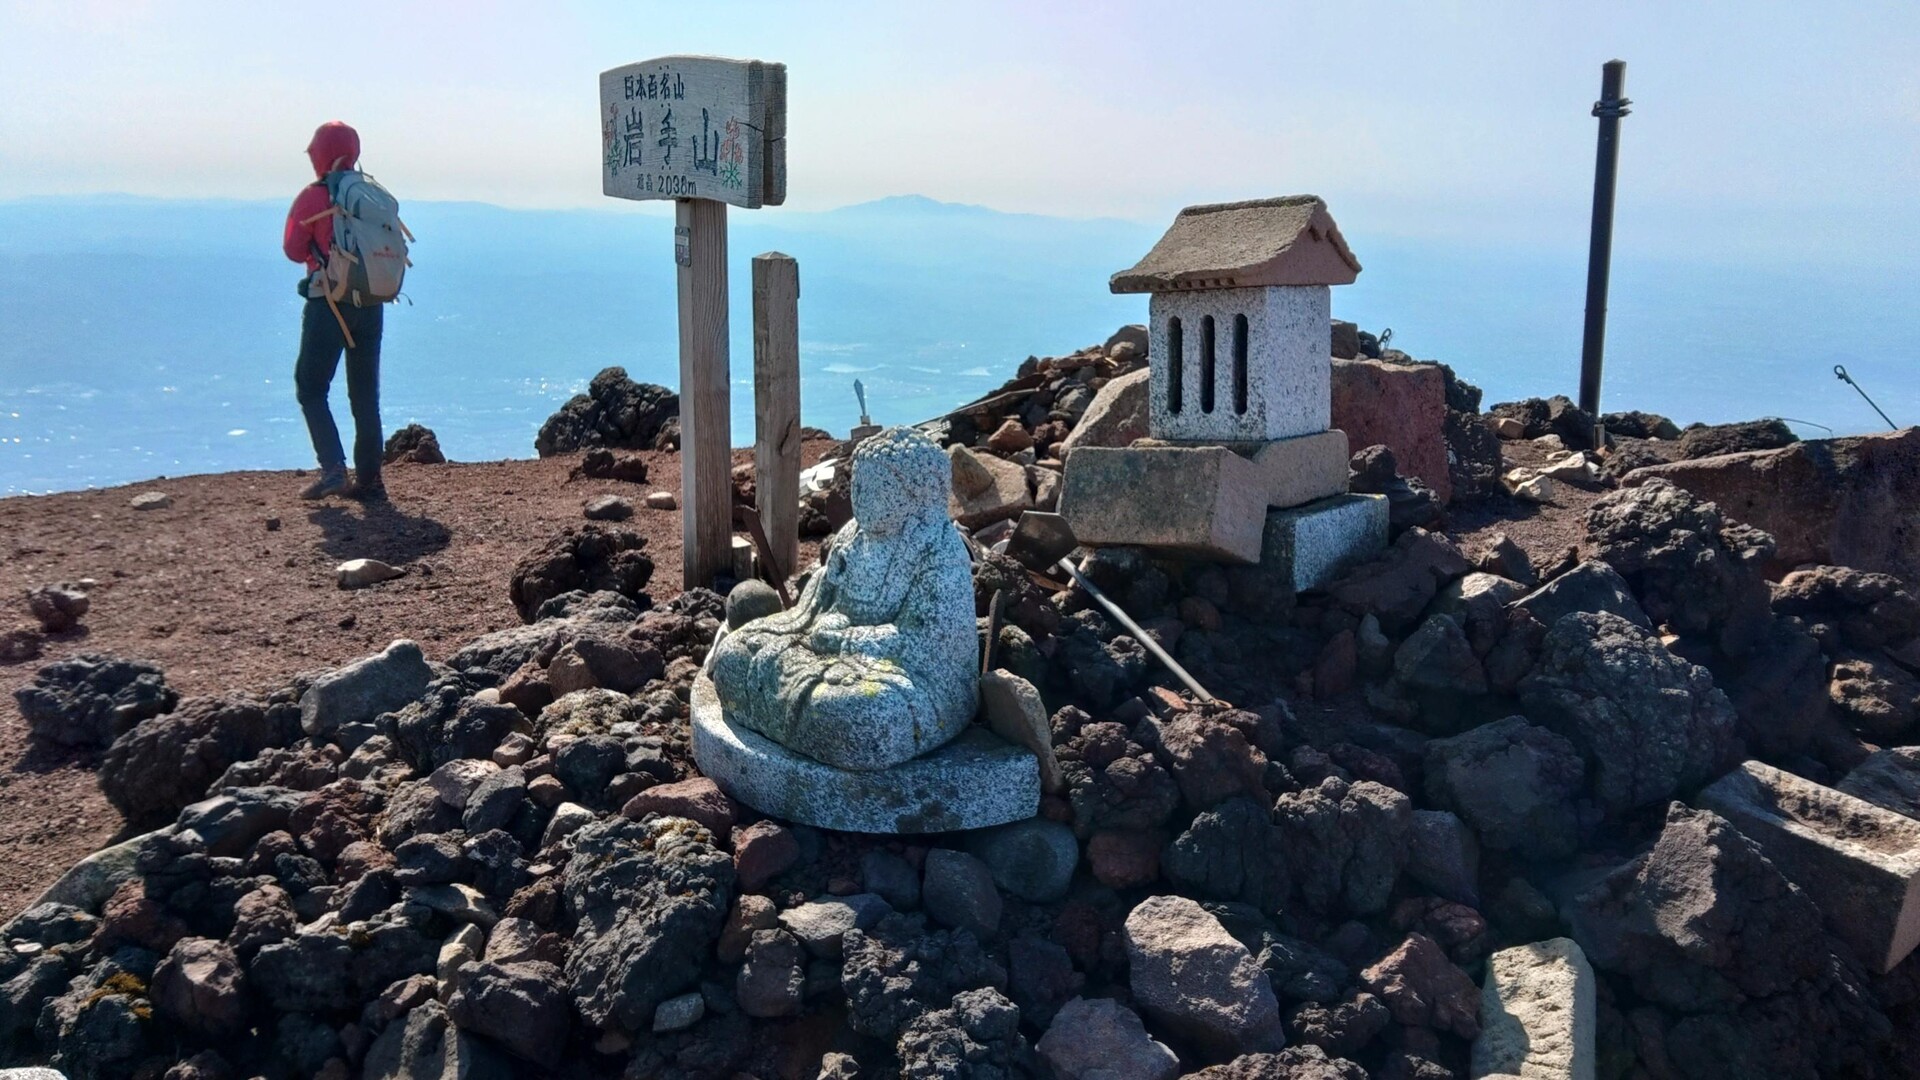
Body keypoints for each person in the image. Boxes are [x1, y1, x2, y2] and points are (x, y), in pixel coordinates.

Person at [283, 120, 385, 501]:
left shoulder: (314, 197)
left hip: (328, 304)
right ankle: (371, 479)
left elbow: (293, 249)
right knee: (365, 396)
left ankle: (333, 470)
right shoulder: (372, 194)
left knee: (311, 387)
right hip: (371, 302)